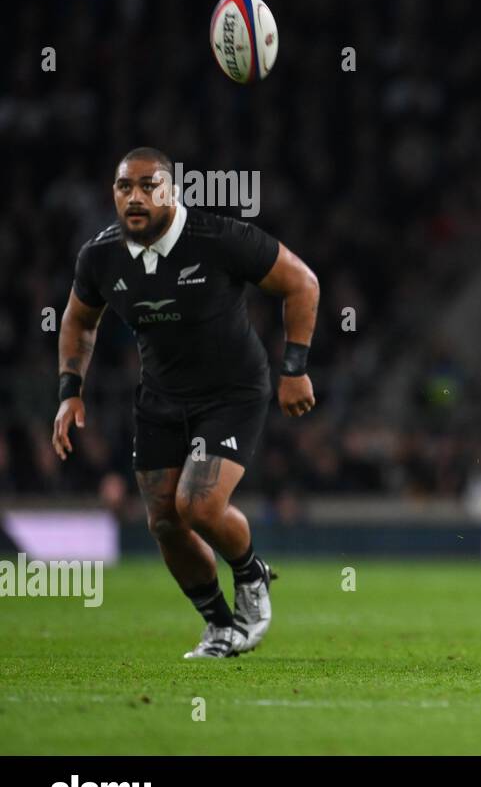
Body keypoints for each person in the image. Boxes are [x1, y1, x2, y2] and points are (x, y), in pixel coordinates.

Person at [52, 147, 320, 658]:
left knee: (197, 505)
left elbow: (301, 283)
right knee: (164, 522)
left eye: (149, 185)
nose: (135, 197)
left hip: (232, 392)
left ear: (172, 191)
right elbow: (78, 320)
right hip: (160, 398)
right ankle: (221, 626)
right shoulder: (100, 256)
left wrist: (296, 369)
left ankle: (250, 572)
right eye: (124, 186)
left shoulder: (218, 238)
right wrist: (70, 392)